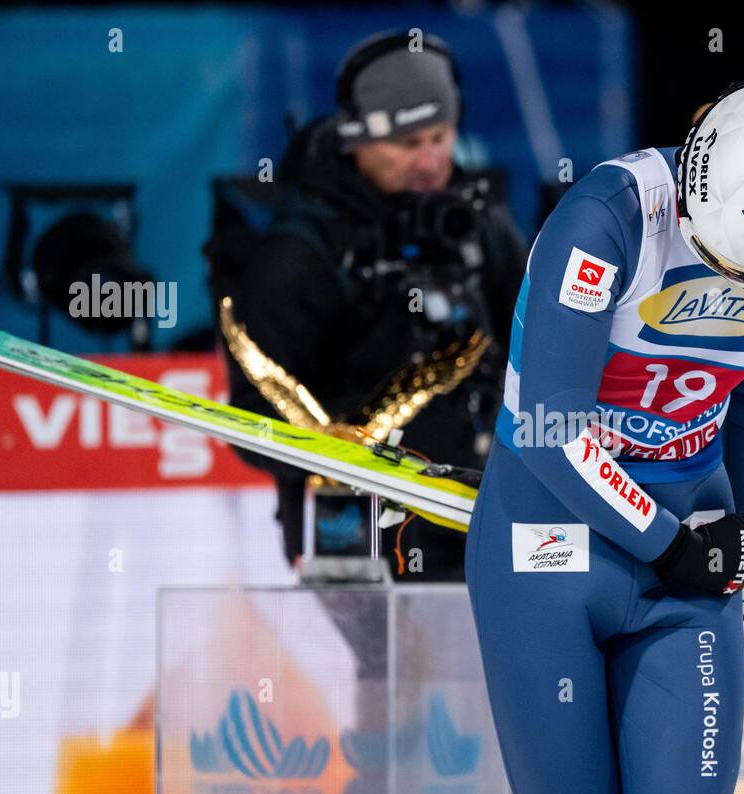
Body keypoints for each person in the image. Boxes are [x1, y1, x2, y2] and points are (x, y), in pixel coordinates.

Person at [465, 81, 744, 794]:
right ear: (692, 197)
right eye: (718, 263)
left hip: (688, 556)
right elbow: (551, 428)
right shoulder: (605, 219)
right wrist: (667, 544)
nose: (739, 289)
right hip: (547, 552)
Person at [224, 32, 526, 577]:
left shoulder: (479, 226)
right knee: (403, 662)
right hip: (357, 517)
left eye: (441, 136)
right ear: (355, 140)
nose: (430, 160)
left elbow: (540, 345)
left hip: (487, 506)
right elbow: (252, 409)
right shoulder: (303, 252)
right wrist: (343, 448)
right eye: (409, 144)